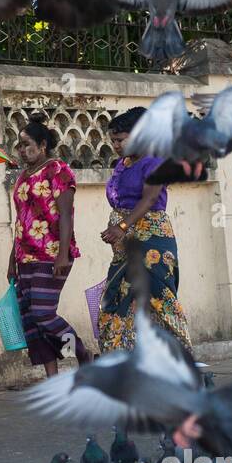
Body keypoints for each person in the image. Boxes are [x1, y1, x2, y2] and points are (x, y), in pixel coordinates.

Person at [98, 107, 193, 352]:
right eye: (113, 141)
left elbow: (149, 200)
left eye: (119, 140)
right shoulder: (123, 164)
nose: (116, 146)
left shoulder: (155, 162)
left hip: (152, 242)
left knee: (157, 298)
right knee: (118, 298)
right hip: (124, 246)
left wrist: (120, 226)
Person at [8, 118, 91, 377]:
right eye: (18, 146)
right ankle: (52, 378)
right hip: (25, 256)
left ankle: (83, 354)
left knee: (44, 314)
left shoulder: (58, 170)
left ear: (42, 145)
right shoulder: (22, 177)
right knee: (32, 321)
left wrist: (63, 254)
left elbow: (66, 215)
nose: (21, 150)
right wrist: (12, 260)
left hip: (52, 253)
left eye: (26, 144)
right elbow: (21, 220)